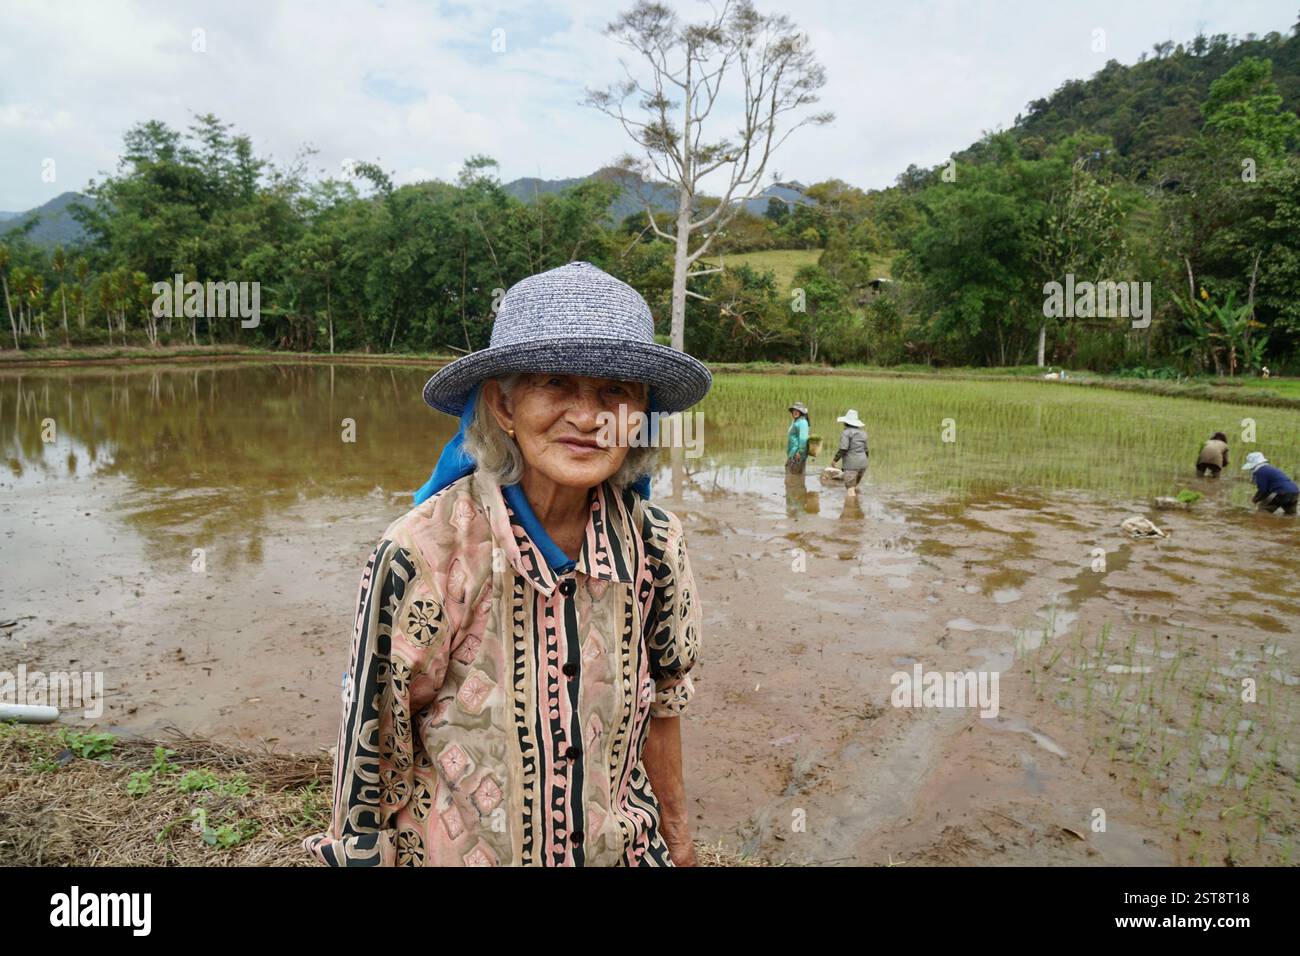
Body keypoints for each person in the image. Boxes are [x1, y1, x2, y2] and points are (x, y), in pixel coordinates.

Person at [304, 261, 711, 867]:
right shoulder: (423, 554)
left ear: (641, 414)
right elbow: (372, 750)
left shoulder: (656, 546)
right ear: (502, 405)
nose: (587, 416)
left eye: (615, 391)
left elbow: (664, 707)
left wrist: (679, 847)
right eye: (554, 383)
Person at [1243, 451, 1299, 515]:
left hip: (1282, 492)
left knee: (1263, 509)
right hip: (1294, 491)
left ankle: (1263, 524)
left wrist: (1255, 499)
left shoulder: (1260, 471)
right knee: (1291, 514)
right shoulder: (1270, 468)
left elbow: (1263, 491)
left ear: (1253, 465)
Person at [832, 408, 869, 497]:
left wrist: (835, 460)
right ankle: (857, 505)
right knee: (855, 486)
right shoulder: (863, 433)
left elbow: (843, 449)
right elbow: (866, 450)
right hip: (863, 464)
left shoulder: (846, 433)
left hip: (851, 465)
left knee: (850, 490)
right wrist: (862, 462)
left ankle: (852, 509)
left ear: (845, 423)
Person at [786, 401, 810, 474]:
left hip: (797, 454)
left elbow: (803, 439)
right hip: (793, 452)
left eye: (798, 411)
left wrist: (800, 452)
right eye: (794, 410)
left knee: (794, 475)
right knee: (791, 474)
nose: (795, 412)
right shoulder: (796, 421)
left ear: (801, 412)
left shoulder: (802, 422)